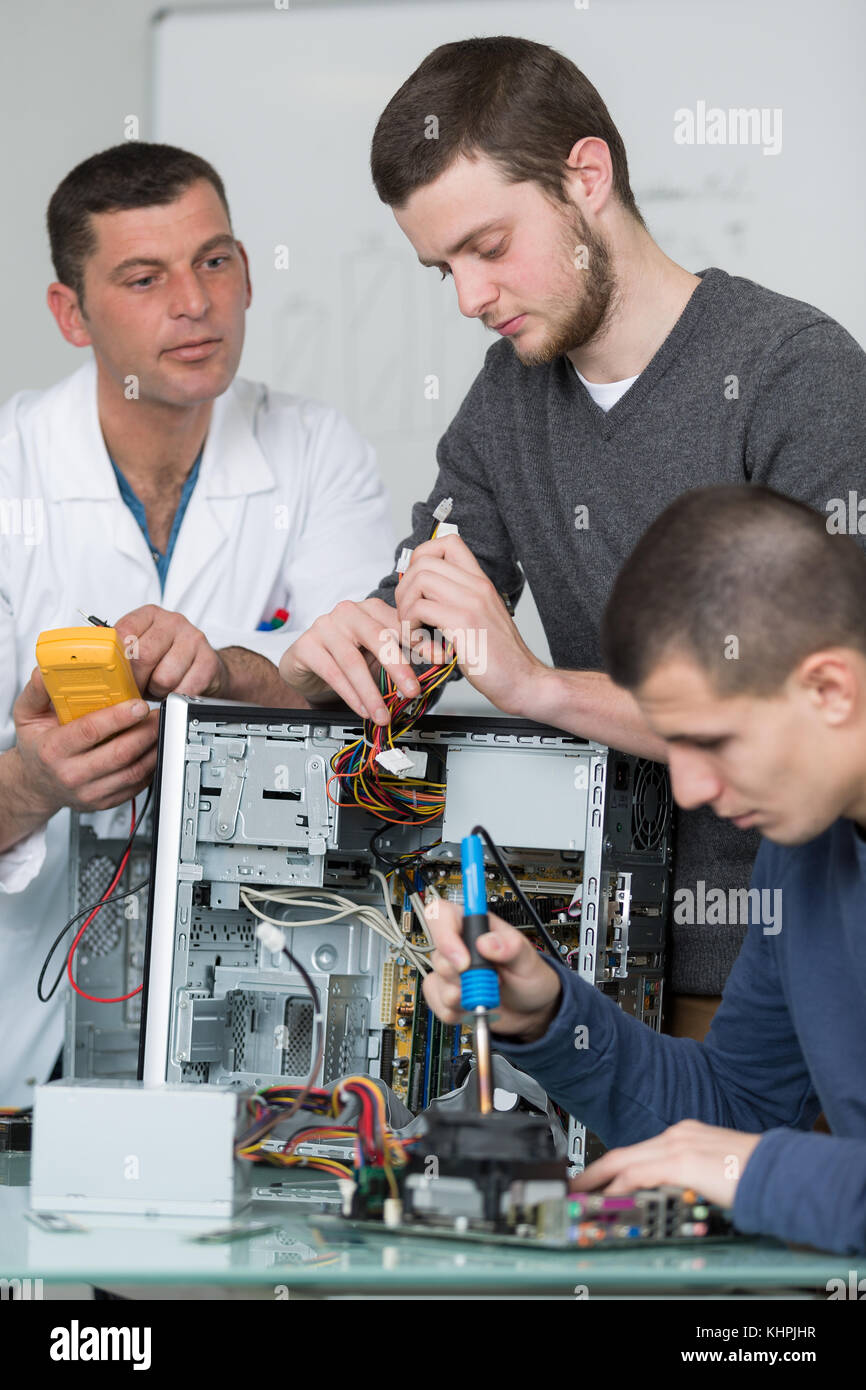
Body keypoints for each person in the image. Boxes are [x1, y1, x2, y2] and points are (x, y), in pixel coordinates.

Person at [277, 36, 866, 1032]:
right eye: (441, 270)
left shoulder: (792, 377)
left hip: (791, 977)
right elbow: (421, 626)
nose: (469, 298)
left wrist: (534, 684)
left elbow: (822, 711)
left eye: (489, 246)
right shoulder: (504, 405)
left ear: (584, 176)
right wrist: (295, 664)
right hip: (590, 965)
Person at [0, 142, 394, 1105]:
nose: (194, 302)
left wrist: (229, 673)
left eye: (214, 261)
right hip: (22, 1011)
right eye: (144, 277)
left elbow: (373, 732)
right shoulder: (11, 471)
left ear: (248, 274)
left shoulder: (316, 453)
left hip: (264, 994)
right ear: (70, 312)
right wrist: (31, 780)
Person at [422, 486, 866, 1255]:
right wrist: (550, 1018)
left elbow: (743, 1157)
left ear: (829, 689)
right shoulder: (800, 857)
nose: (689, 789)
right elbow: (736, 1115)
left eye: (714, 741)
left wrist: (753, 1169)